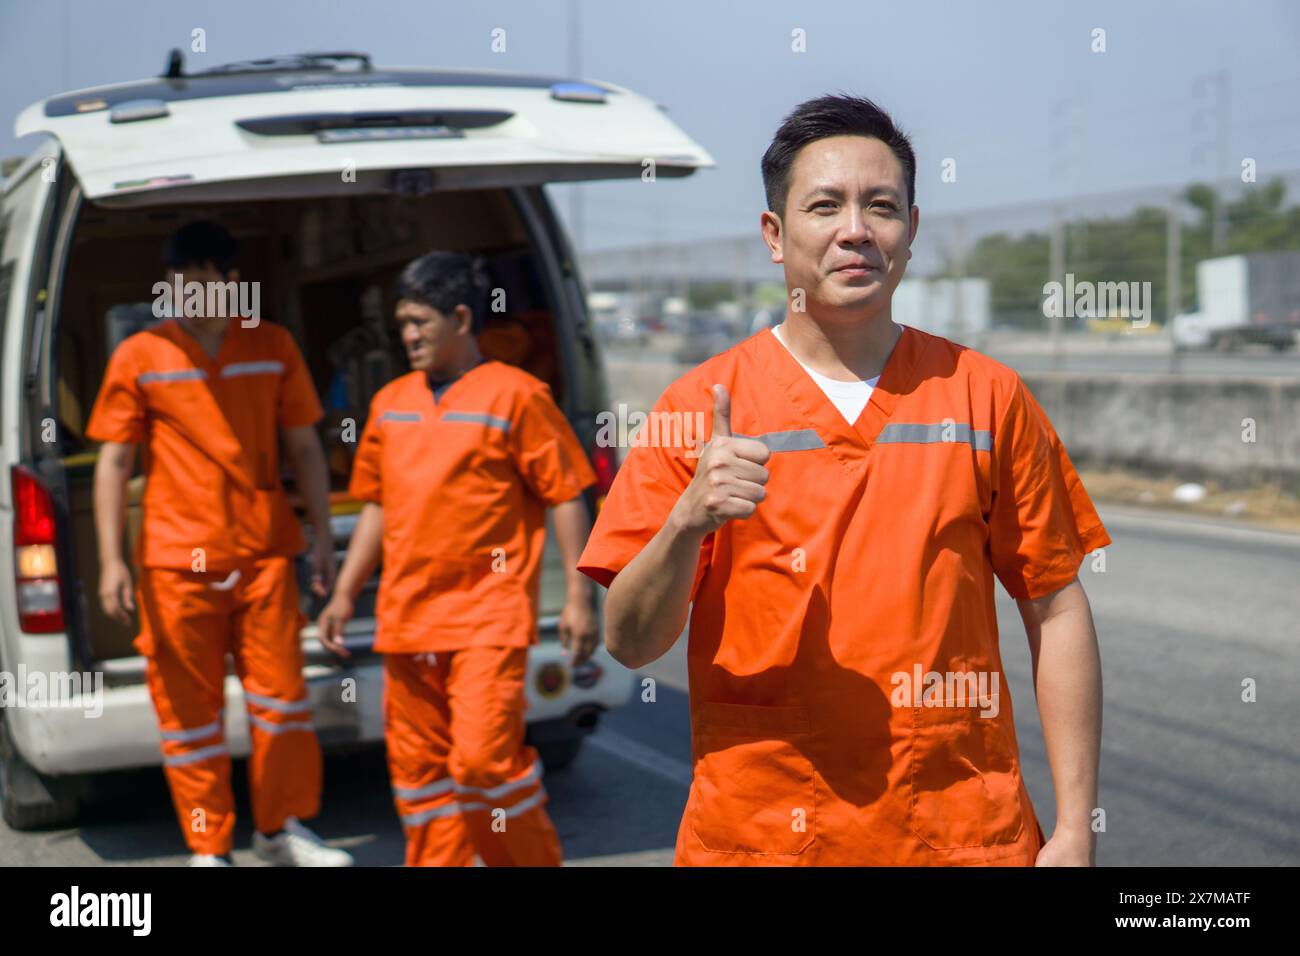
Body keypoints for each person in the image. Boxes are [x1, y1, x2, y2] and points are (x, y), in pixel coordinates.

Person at [577, 94, 1111, 866]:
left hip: (959, 836)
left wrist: (1072, 828)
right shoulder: (698, 409)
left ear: (913, 231)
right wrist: (686, 521)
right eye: (824, 205)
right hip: (763, 838)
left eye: (881, 206)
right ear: (774, 235)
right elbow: (629, 641)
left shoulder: (985, 396)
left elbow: (1056, 606)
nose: (855, 229)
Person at [317, 251, 598, 866]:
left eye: (420, 322)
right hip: (406, 622)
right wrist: (342, 594)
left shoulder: (517, 396)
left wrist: (581, 596)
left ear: (463, 317)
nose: (408, 336)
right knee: (422, 783)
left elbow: (565, 492)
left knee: (481, 765)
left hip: (486, 620)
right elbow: (377, 507)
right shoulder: (390, 403)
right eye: (403, 325)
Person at [87, 220, 352, 867]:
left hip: (263, 555)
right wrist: (111, 561)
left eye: (200, 281)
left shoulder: (273, 345)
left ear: (233, 283)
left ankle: (278, 830)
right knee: (188, 716)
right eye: (177, 281)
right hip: (177, 564)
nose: (186, 293)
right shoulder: (140, 355)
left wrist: (320, 536)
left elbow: (305, 448)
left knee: (282, 703)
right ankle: (208, 846)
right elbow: (114, 462)